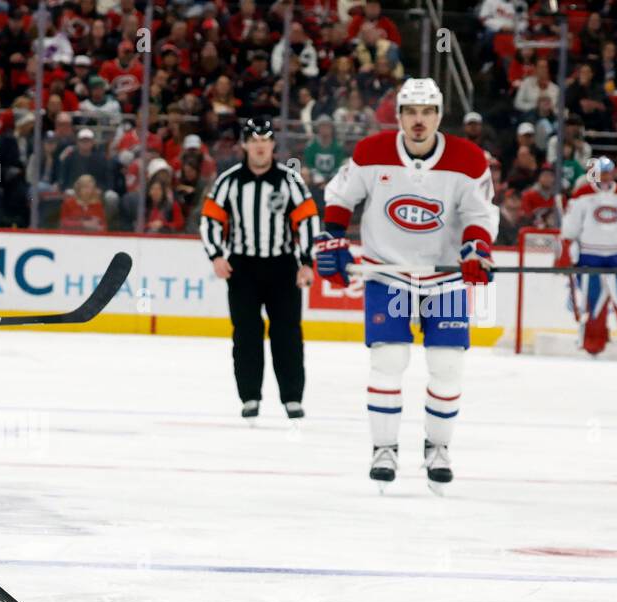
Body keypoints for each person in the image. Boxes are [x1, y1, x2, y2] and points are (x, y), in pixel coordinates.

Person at [317, 78, 499, 494]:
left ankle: (438, 448)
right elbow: (341, 197)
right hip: (389, 273)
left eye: (428, 112)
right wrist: (331, 238)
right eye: (411, 112)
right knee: (389, 360)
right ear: (398, 116)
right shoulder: (371, 152)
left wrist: (475, 248)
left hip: (445, 278)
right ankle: (384, 449)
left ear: (438, 115)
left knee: (448, 367)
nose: (419, 121)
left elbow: (480, 212)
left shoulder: (468, 159)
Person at [201, 117, 320, 420]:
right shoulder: (228, 181)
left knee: (288, 334)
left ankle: (292, 398)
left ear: (272, 145)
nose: (259, 146)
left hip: (282, 267)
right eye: (253, 140)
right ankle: (250, 397)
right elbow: (210, 218)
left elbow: (307, 219)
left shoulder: (290, 181)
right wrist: (216, 255)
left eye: (264, 140)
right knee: (246, 334)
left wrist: (306, 262)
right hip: (242, 269)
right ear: (244, 144)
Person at [556, 156, 617, 356]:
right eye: (601, 173)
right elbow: (570, 228)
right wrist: (565, 251)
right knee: (593, 302)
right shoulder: (582, 195)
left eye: (608, 172)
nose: (605, 177)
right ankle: (593, 342)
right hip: (590, 257)